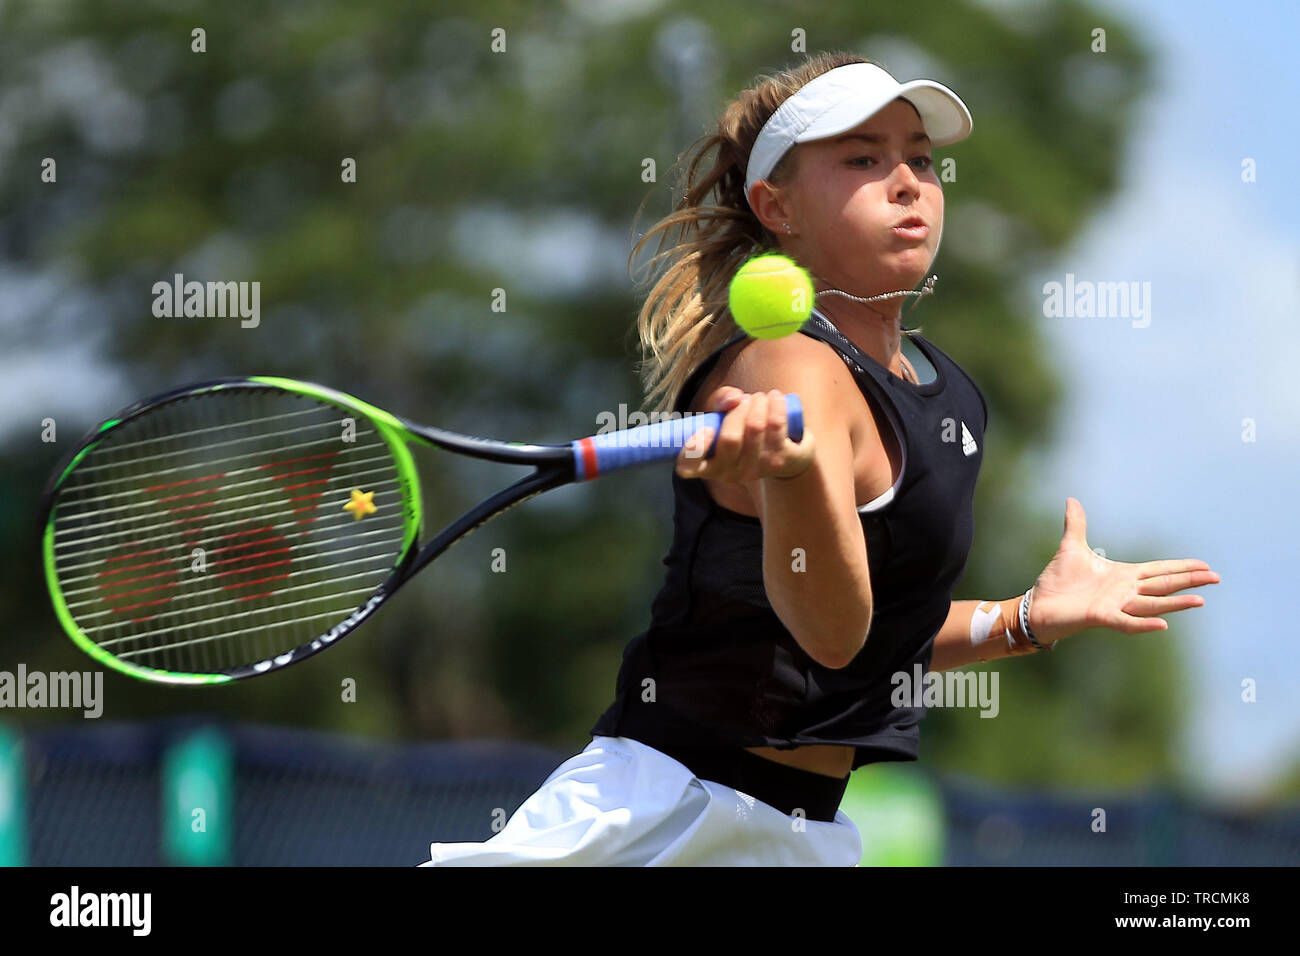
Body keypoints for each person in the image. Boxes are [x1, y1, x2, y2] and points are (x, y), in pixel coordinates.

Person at [420, 51, 1219, 867]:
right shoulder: (788, 363)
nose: (907, 181)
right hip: (662, 814)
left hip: (798, 833)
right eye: (864, 159)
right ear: (777, 207)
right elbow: (831, 634)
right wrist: (795, 475)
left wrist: (1019, 622)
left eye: (921, 158)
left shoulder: (948, 398)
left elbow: (872, 642)